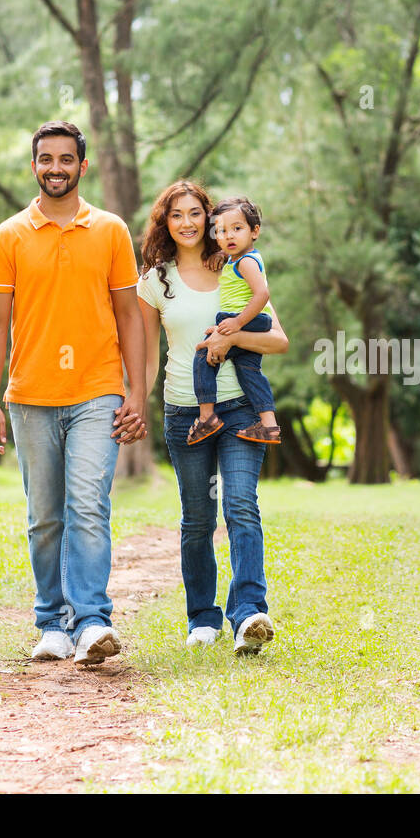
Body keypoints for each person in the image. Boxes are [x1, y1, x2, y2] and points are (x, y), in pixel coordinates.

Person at [0, 120, 147, 666]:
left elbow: (130, 316)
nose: (56, 168)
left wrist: (136, 393)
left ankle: (93, 620)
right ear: (34, 167)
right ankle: (51, 622)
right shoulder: (8, 236)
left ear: (82, 166)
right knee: (45, 514)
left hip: (98, 390)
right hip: (30, 396)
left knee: (89, 506)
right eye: (45, 159)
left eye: (66, 159)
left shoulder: (112, 230)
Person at [136, 180, 288, 655]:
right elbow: (143, 356)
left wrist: (232, 339)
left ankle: (248, 615)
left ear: (209, 217)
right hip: (185, 411)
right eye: (176, 214)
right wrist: (133, 405)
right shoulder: (154, 280)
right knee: (198, 518)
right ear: (166, 222)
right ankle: (203, 617)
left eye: (195, 213)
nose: (187, 222)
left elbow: (278, 339)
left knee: (240, 505)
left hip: (240, 408)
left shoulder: (234, 265)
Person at [187, 196, 281, 446]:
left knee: (203, 356)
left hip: (245, 319)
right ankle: (269, 425)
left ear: (255, 231)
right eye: (221, 231)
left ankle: (207, 417)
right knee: (249, 372)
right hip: (247, 321)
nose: (229, 236)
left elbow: (262, 294)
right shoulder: (237, 259)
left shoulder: (247, 262)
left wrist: (237, 324)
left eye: (237, 229)